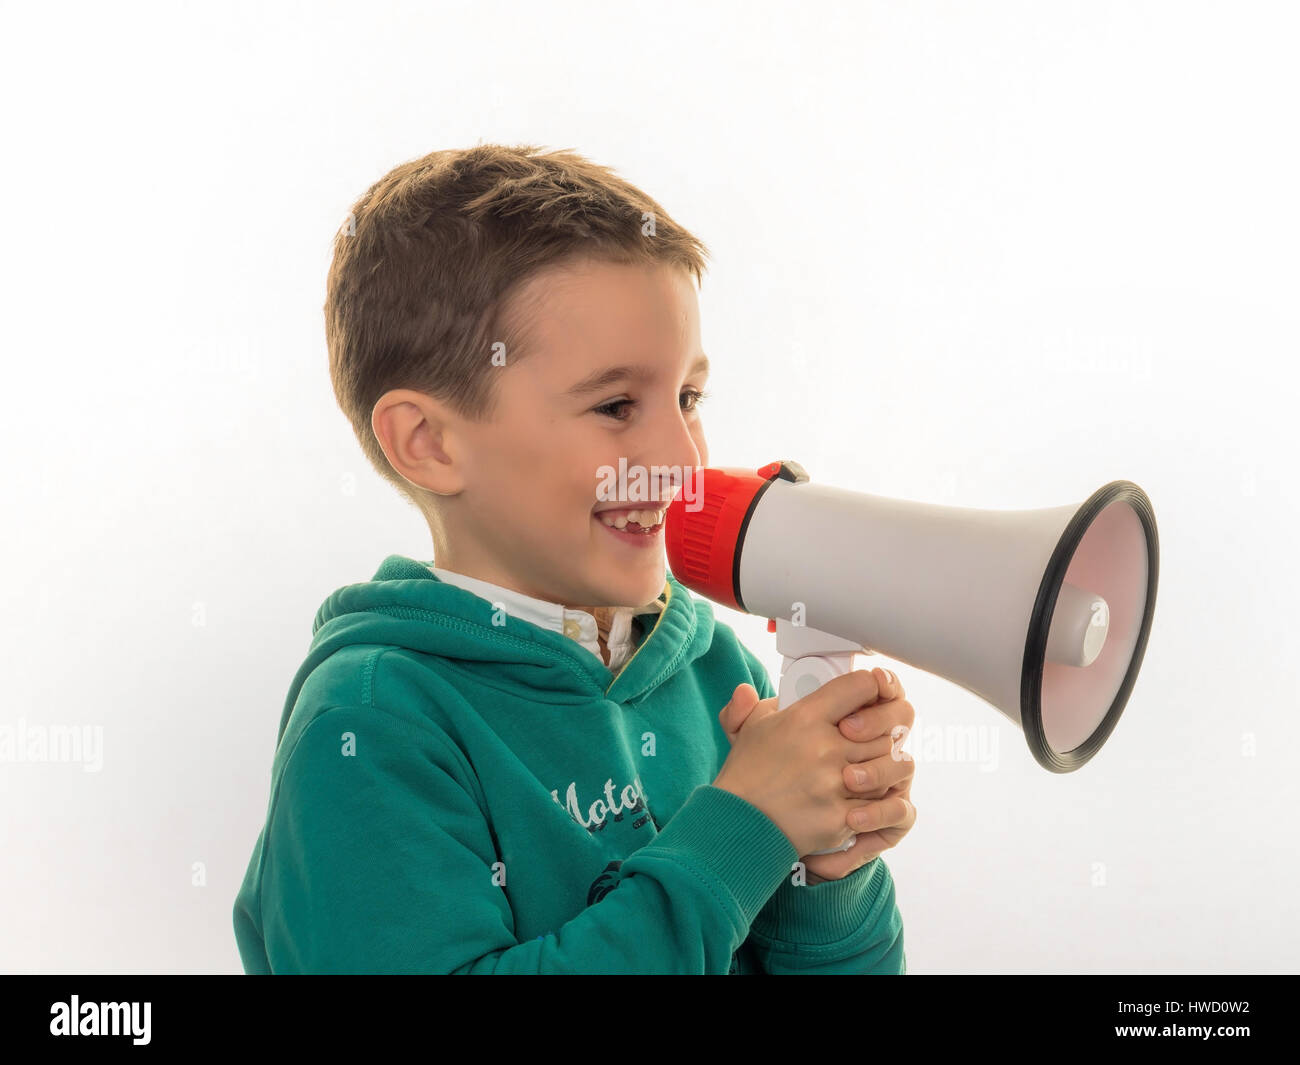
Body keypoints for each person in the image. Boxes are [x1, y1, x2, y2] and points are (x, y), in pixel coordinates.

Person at [232, 144, 917, 974]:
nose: (682, 456)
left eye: (688, 398)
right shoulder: (374, 724)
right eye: (616, 404)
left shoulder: (715, 672)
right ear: (430, 442)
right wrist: (740, 832)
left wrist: (823, 867)